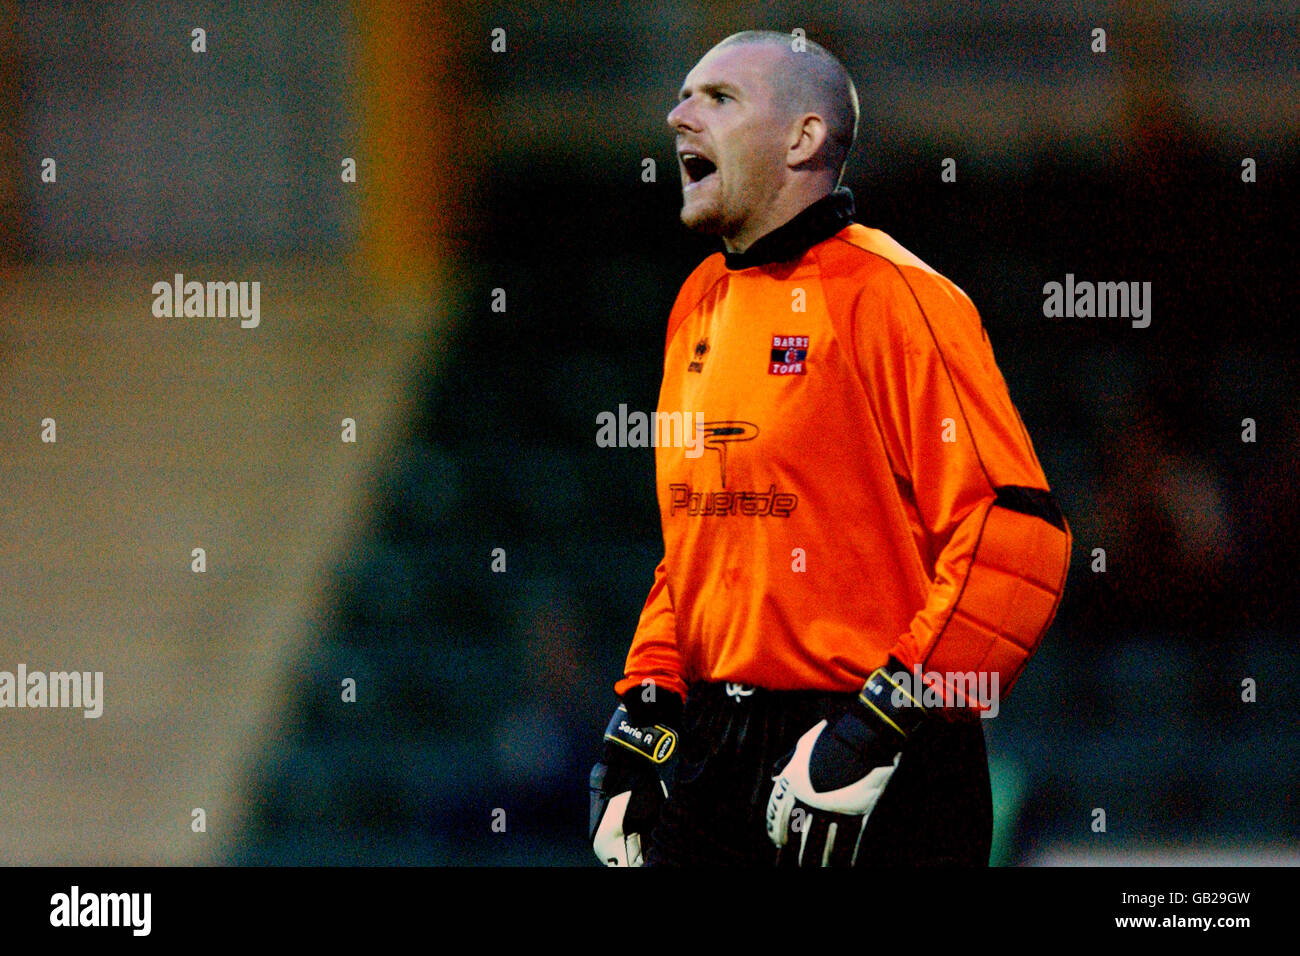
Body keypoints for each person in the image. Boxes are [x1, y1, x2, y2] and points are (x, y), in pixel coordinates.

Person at [588, 30, 1071, 867]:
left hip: (873, 751)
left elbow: (1017, 534)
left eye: (718, 99)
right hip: (715, 745)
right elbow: (699, 547)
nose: (676, 117)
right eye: (682, 95)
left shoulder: (897, 297)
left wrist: (880, 725)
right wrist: (648, 712)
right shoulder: (698, 302)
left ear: (803, 140)